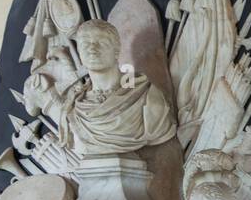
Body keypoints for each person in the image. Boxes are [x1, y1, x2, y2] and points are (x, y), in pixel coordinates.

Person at [56, 19, 177, 156]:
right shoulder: (72, 108)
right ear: (79, 52)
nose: (92, 49)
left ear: (117, 50)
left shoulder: (146, 96)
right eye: (85, 44)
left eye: (101, 42)